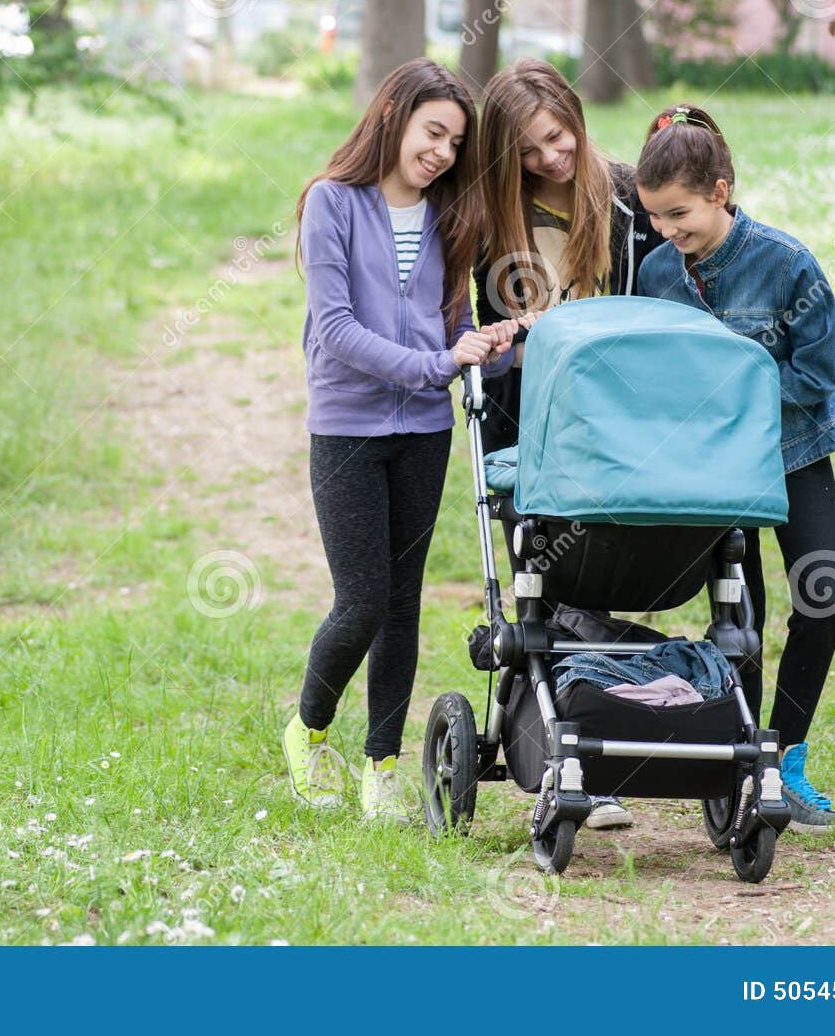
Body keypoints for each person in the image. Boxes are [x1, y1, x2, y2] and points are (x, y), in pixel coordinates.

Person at [283, 58, 522, 823]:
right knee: (360, 602)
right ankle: (307, 729)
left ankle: (380, 764)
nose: (444, 153)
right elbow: (336, 330)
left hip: (423, 432)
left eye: (455, 141)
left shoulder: (452, 216)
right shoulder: (332, 203)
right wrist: (437, 364)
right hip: (348, 428)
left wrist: (498, 342)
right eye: (434, 132)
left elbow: (454, 328)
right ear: (393, 117)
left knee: (403, 603)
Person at [634, 103, 835, 831]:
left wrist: (729, 405)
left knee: (823, 595)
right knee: (741, 615)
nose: (668, 231)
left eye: (679, 213)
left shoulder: (789, 264)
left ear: (721, 190)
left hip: (793, 451)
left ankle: (789, 753)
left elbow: (814, 378)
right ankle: (743, 758)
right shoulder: (658, 273)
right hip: (714, 469)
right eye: (656, 216)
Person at [472, 58, 667, 831]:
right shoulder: (492, 217)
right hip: (529, 415)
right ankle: (572, 758)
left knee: (594, 573)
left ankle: (595, 749)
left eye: (556, 137)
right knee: (542, 581)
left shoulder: (624, 194)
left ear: (575, 117)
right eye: (528, 150)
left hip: (614, 414)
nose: (550, 158)